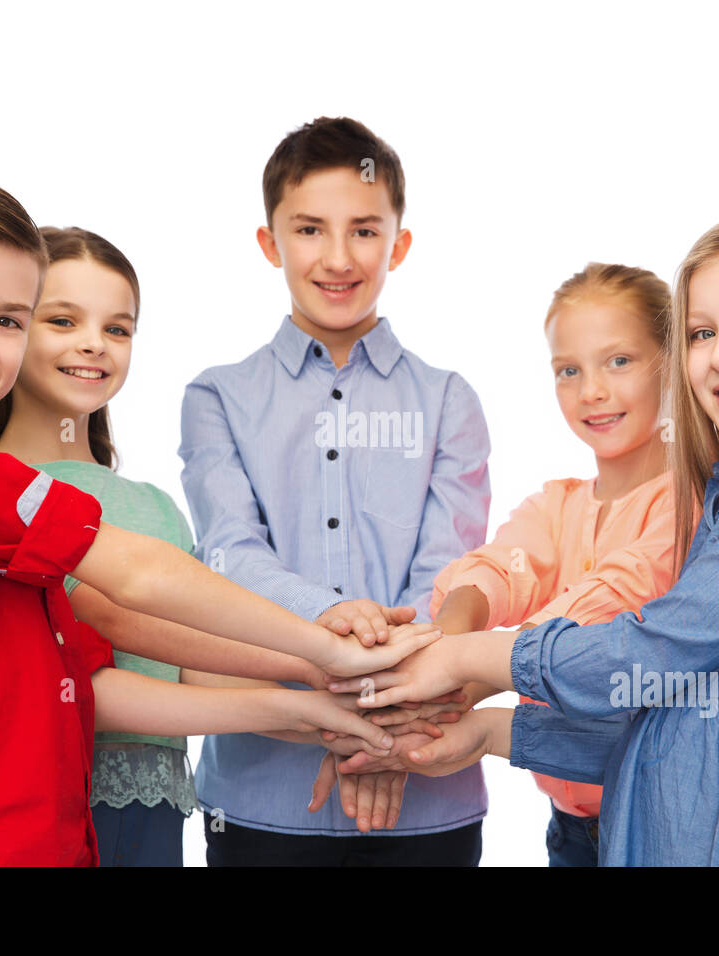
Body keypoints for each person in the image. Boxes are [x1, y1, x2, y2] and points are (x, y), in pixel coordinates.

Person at [0, 174, 440, 866]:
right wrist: (323, 649)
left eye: (6, 320)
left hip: (39, 834)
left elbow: (114, 633)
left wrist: (310, 693)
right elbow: (137, 576)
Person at [331, 206, 719, 866]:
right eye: (703, 332)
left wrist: (463, 660)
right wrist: (483, 733)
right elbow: (671, 730)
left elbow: (657, 647)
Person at [179, 117, 492, 865]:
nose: (339, 258)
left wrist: (381, 728)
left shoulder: (449, 400)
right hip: (260, 799)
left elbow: (450, 576)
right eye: (310, 229)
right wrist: (327, 615)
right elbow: (230, 556)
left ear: (399, 244)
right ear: (271, 243)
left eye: (365, 231)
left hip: (427, 788)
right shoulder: (216, 396)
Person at [426, 263, 680, 865]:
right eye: (569, 370)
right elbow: (496, 570)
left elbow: (612, 597)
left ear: (672, 364)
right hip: (570, 830)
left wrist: (467, 677)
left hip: (661, 826)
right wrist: (445, 644)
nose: (590, 390)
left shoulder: (690, 502)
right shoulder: (556, 504)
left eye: (618, 361)